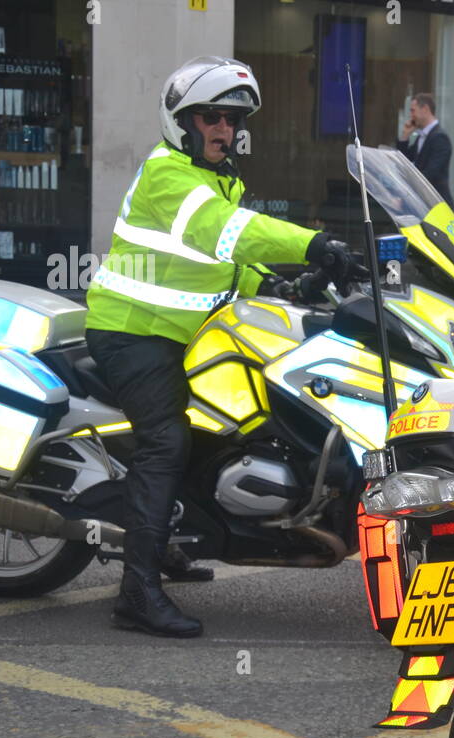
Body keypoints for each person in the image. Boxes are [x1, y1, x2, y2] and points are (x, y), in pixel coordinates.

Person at [84, 57, 356, 637]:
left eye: (231, 120)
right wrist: (313, 243)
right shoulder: (169, 176)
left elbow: (220, 262)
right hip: (132, 332)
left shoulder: (216, 179)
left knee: (221, 424)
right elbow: (223, 231)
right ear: (181, 121)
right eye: (210, 117)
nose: (223, 130)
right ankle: (138, 591)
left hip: (180, 333)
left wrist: (281, 286)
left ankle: (173, 537)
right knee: (166, 439)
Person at [397, 92, 453, 207]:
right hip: (424, 204)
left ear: (425, 109)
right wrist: (405, 136)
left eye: (413, 110)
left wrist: (406, 194)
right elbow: (404, 160)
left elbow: (430, 173)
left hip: (437, 206)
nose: (411, 115)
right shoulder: (421, 137)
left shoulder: (440, 138)